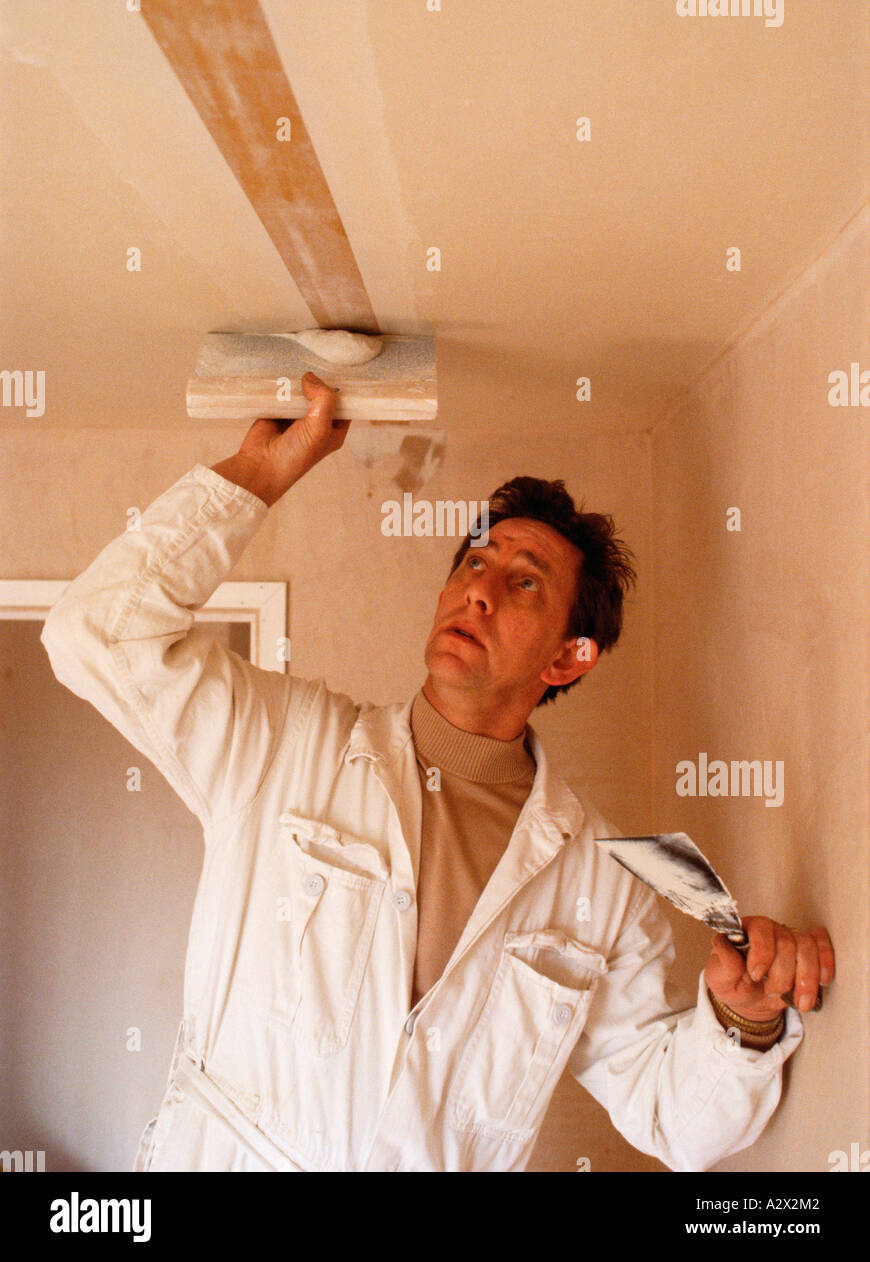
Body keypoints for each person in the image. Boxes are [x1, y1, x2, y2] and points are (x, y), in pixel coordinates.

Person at [41, 372, 834, 1173]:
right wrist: (262, 472)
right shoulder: (285, 746)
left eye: (524, 580)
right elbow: (95, 635)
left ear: (568, 656)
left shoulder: (605, 878)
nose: (479, 589)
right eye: (474, 562)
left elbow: (672, 1121)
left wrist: (745, 1022)